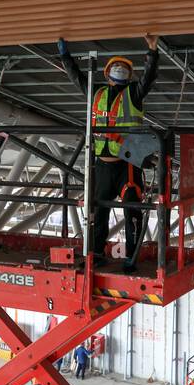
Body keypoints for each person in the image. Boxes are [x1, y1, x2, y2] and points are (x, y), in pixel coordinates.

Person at [59, 35, 160, 273]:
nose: (120, 68)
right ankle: (96, 254)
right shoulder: (96, 92)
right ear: (106, 73)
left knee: (132, 212)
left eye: (125, 66)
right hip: (102, 166)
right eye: (116, 65)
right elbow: (77, 78)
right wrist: (65, 56)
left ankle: (131, 257)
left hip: (128, 165)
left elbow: (149, 78)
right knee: (97, 211)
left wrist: (152, 52)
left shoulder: (134, 92)